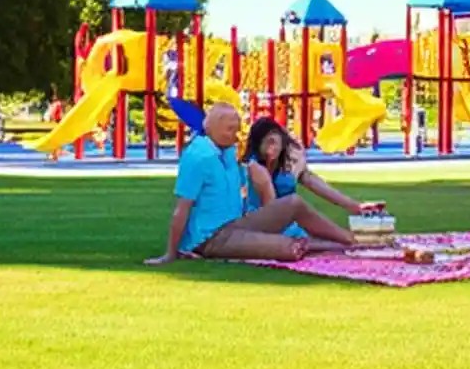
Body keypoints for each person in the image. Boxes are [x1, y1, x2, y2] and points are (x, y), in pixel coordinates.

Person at [143, 103, 356, 265]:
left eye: (236, 130)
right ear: (211, 127)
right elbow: (182, 208)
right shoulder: (198, 157)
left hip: (235, 225)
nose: (235, 136)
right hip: (211, 238)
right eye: (230, 130)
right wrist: (171, 253)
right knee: (289, 248)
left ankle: (349, 240)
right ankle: (343, 247)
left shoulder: (228, 154)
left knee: (294, 203)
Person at [243, 117, 381, 241]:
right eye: (266, 143)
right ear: (257, 146)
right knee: (320, 239)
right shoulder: (256, 167)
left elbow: (312, 182)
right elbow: (273, 210)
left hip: (289, 221)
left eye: (274, 142)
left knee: (324, 238)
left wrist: (355, 206)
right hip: (267, 222)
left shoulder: (285, 161)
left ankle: (346, 239)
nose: (271, 148)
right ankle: (348, 239)